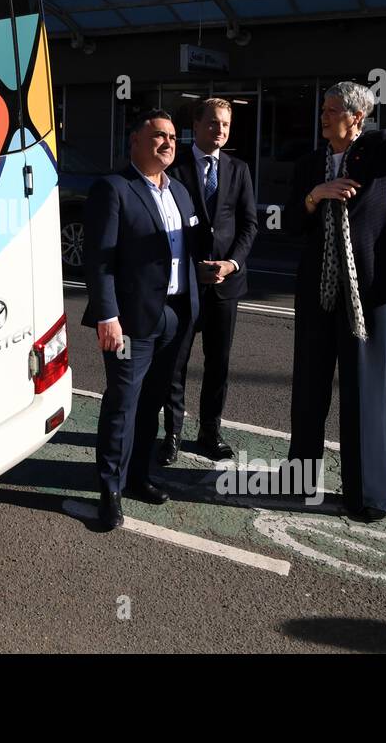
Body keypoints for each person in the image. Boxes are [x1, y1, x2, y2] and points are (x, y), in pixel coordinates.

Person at [282, 70, 386, 521]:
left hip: (368, 289)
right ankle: (300, 481)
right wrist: (314, 196)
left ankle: (369, 494)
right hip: (316, 290)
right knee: (308, 388)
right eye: (322, 109)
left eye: (332, 110)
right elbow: (290, 224)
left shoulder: (379, 150)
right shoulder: (309, 165)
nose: (323, 117)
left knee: (364, 391)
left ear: (357, 118)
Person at [82, 109, 202, 530]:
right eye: (157, 136)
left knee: (153, 401)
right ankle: (109, 490)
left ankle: (138, 476)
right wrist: (107, 317)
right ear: (134, 141)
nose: (167, 143)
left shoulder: (181, 192)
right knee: (123, 403)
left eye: (171, 136)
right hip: (130, 322)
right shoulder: (113, 189)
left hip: (175, 315)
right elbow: (100, 262)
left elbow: (188, 249)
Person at [162, 98, 258, 464]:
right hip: (184, 283)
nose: (220, 131)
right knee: (175, 363)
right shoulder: (175, 166)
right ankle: (171, 434)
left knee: (218, 362)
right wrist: (190, 264)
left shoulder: (238, 169)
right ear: (197, 124)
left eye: (226, 126)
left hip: (226, 284)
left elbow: (249, 223)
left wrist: (231, 264)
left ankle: (209, 432)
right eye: (214, 123)